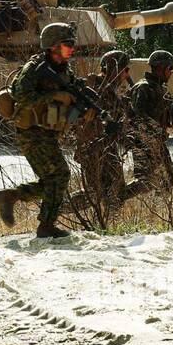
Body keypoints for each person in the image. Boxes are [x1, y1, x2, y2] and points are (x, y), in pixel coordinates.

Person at [0, 22, 98, 238]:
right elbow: (22, 97)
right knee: (60, 175)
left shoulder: (64, 72)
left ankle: (12, 197)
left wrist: (83, 111)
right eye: (67, 44)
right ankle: (45, 226)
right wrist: (54, 96)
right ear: (52, 46)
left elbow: (67, 103)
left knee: (53, 180)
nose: (72, 49)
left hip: (48, 133)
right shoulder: (34, 69)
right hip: (31, 132)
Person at [67, 50, 131, 220]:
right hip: (93, 149)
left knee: (115, 191)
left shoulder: (108, 89)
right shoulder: (95, 87)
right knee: (95, 194)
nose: (126, 75)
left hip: (106, 149)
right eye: (125, 70)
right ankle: (53, 210)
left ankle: (109, 224)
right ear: (116, 69)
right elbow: (75, 118)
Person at [124, 49, 173, 198]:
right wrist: (155, 131)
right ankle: (116, 197)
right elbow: (139, 117)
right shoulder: (143, 87)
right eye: (170, 68)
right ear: (160, 68)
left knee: (166, 175)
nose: (171, 72)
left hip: (157, 141)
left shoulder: (161, 89)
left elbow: (170, 119)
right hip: (143, 142)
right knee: (145, 182)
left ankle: (162, 211)